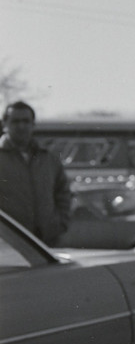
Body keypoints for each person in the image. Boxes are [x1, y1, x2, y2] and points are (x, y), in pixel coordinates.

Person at [0, 100, 72, 245]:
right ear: (5, 124)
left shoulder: (48, 158)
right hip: (8, 244)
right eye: (15, 121)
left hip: (48, 241)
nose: (21, 126)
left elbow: (63, 192)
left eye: (26, 121)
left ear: (33, 124)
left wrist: (60, 223)